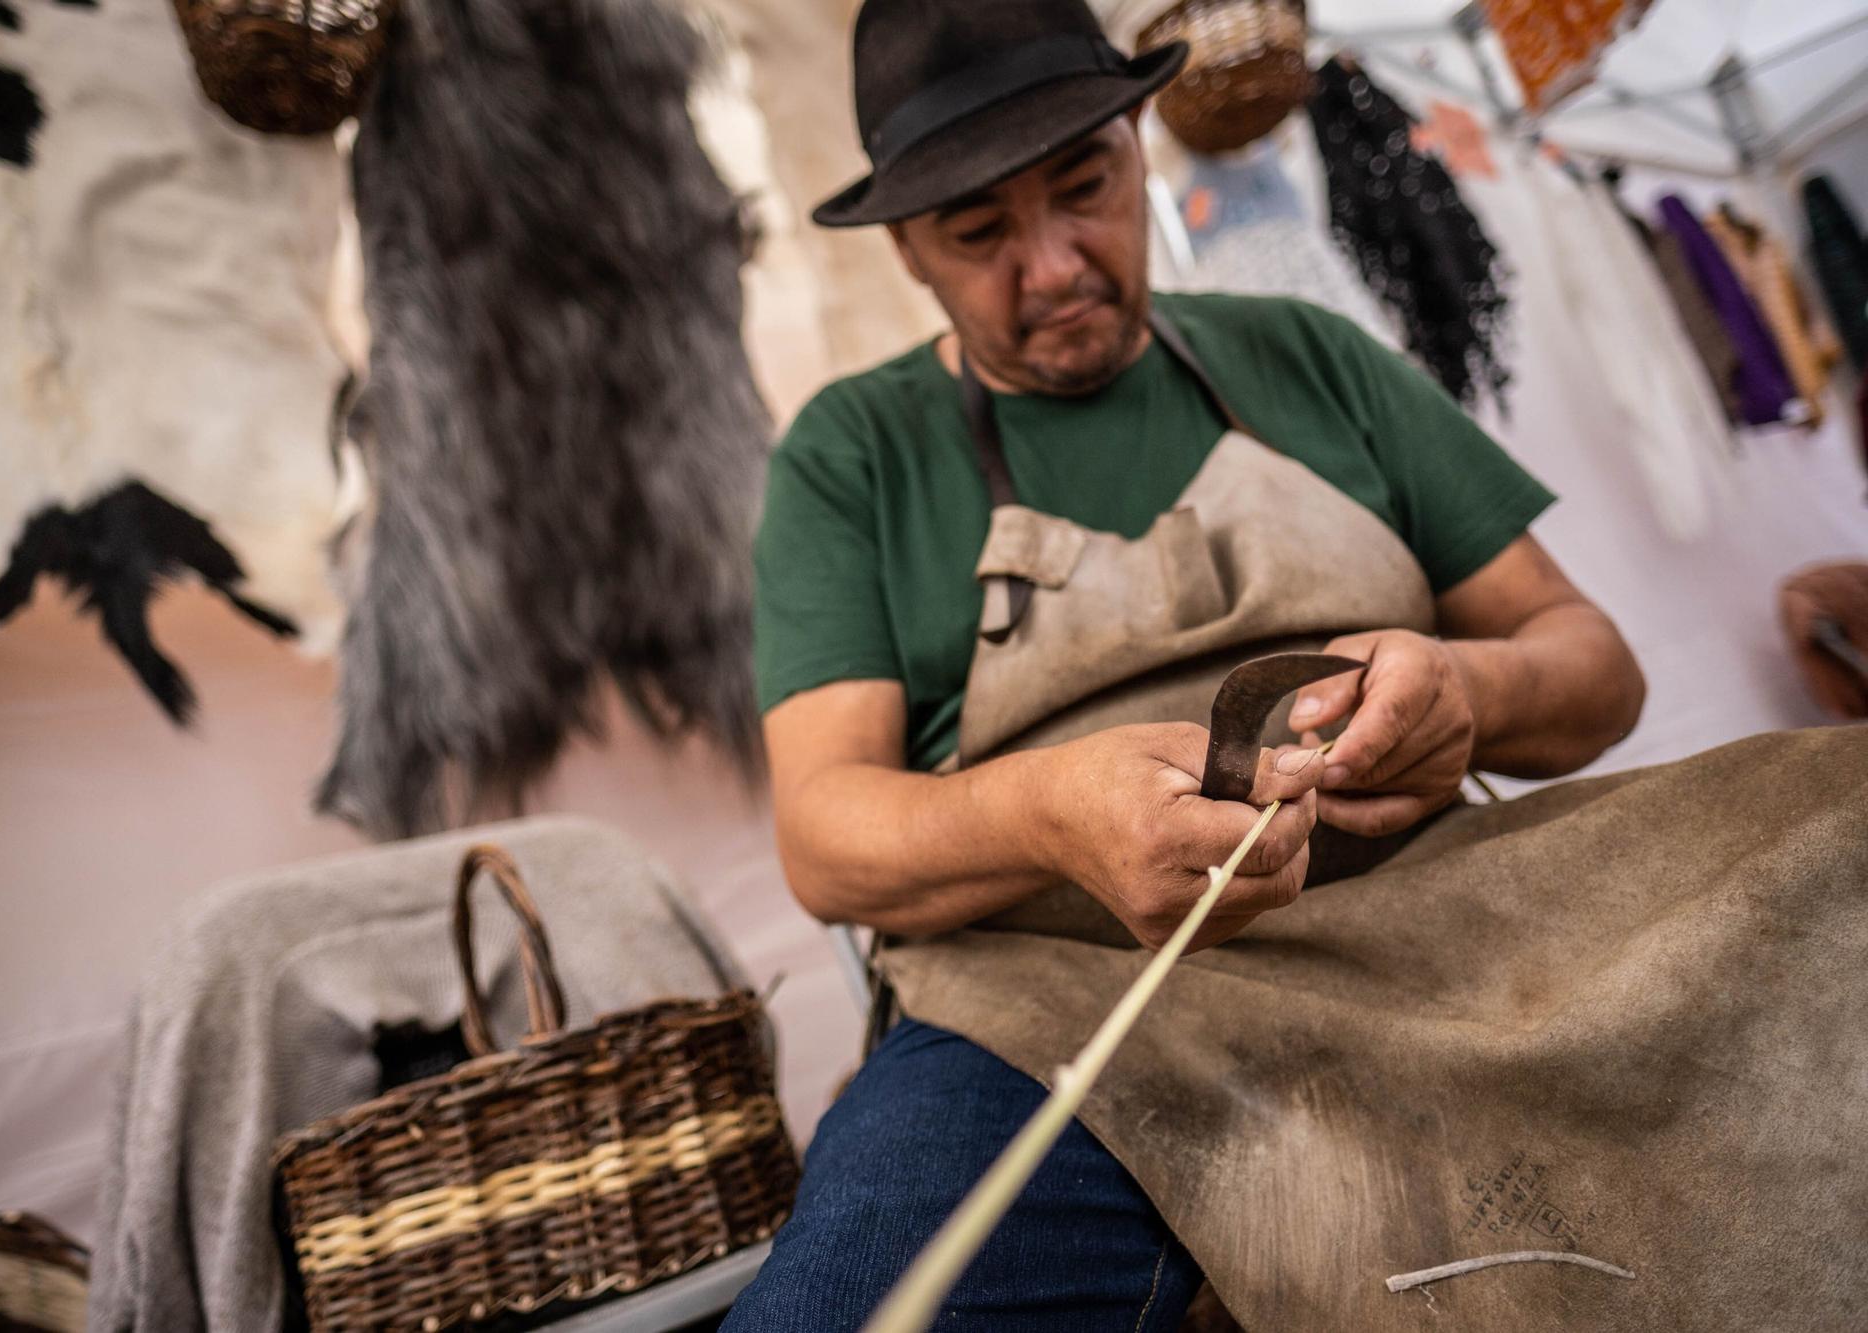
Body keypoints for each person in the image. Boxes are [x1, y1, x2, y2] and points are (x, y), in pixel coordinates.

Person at [724, 2, 1866, 1329]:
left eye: (1083, 187)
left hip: (1449, 924)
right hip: (1048, 1014)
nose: (1051, 266)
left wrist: (1467, 693)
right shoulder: (852, 453)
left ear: (1136, 145)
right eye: (980, 234)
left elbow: (1595, 669)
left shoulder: (1307, 354)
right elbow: (827, 835)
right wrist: (1049, 814)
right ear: (909, 249)